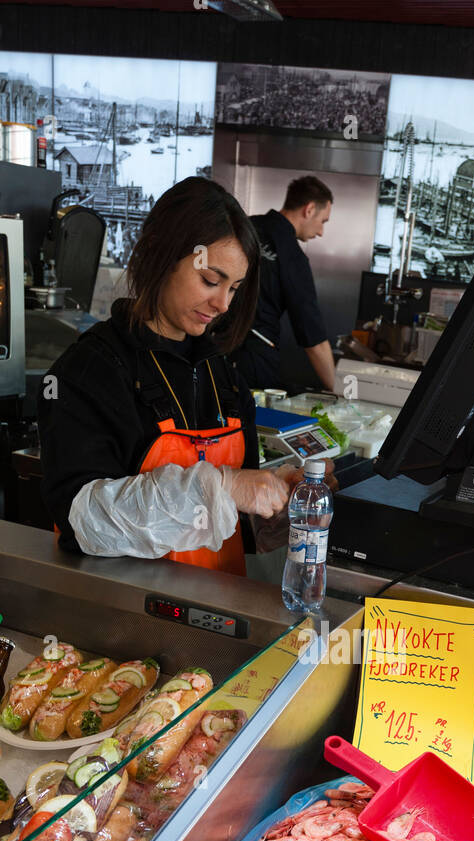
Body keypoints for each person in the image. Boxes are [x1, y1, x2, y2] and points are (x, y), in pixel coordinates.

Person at [39, 178, 293, 573]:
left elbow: (235, 528)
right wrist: (221, 487)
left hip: (217, 604)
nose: (223, 303)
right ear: (160, 254)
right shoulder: (90, 370)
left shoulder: (223, 375)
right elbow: (83, 522)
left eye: (234, 288)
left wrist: (278, 499)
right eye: (210, 280)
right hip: (124, 605)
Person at [235, 175, 335, 394]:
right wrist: (338, 391)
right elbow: (314, 339)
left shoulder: (244, 226)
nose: (321, 232)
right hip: (253, 362)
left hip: (211, 350)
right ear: (309, 209)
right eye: (323, 221)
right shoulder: (293, 258)